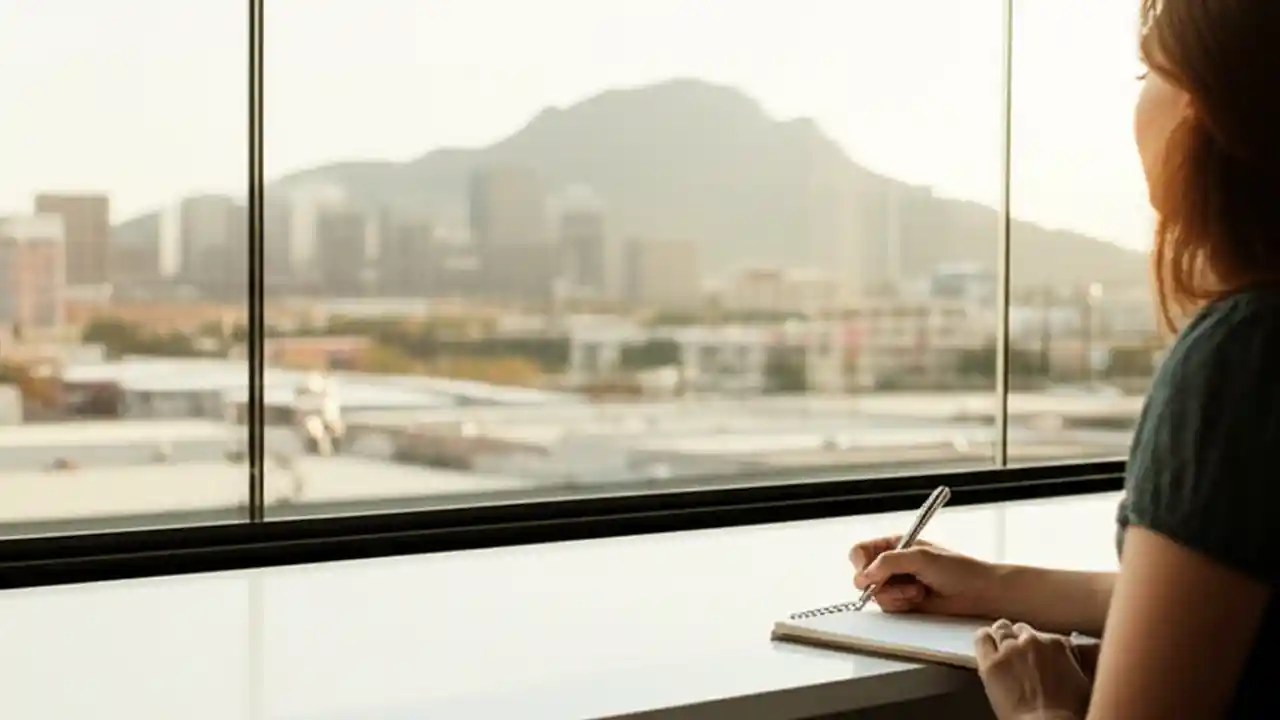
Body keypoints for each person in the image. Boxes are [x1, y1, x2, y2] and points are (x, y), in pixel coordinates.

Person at [850, 2, 1280, 718]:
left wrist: (1038, 706)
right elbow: (1229, 590)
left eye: (1150, 72)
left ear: (1204, 109)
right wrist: (990, 582)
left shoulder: (1242, 362)